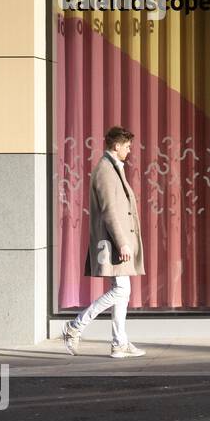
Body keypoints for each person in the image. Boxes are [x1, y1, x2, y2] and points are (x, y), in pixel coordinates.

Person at [62, 126, 146, 358]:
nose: (129, 151)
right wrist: (122, 243)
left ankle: (119, 342)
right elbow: (110, 211)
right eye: (127, 146)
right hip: (112, 242)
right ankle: (75, 327)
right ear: (116, 146)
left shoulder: (114, 167)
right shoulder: (106, 170)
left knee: (123, 291)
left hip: (116, 241)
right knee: (120, 290)